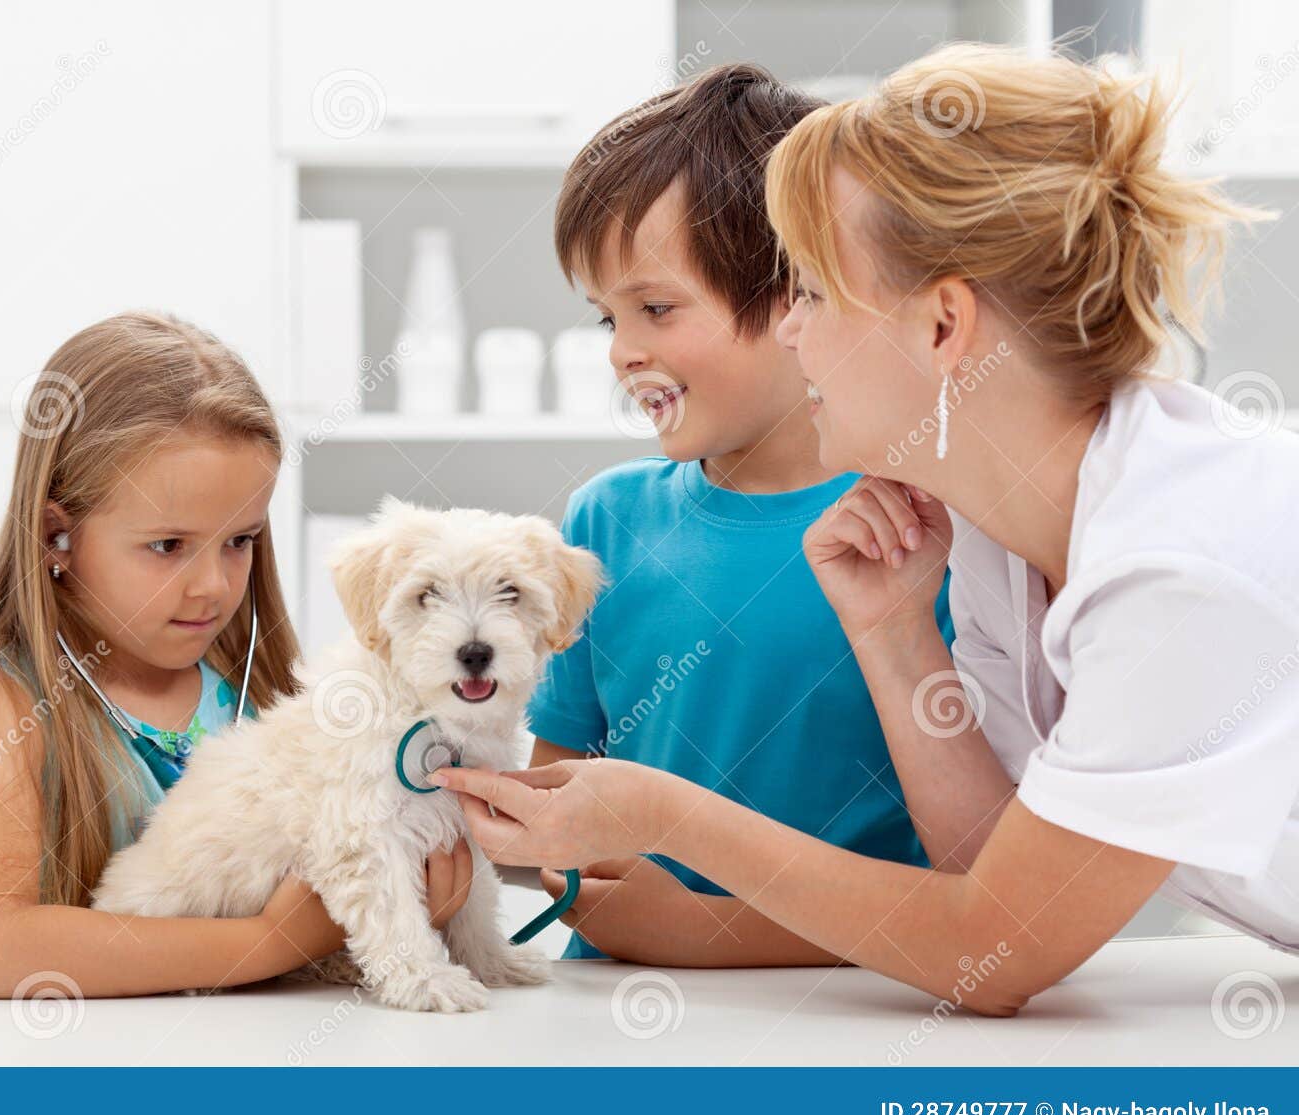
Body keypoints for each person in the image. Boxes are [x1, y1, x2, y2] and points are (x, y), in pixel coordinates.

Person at [437, 43, 1299, 1014]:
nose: (790, 328)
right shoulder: (990, 532)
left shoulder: (1181, 563)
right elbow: (989, 877)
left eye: (806, 289)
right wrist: (893, 627)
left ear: (940, 329)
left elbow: (998, 948)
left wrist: (665, 814)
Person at [527, 62, 953, 966]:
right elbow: (554, 812)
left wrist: (700, 932)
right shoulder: (605, 523)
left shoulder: (919, 536)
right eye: (607, 320)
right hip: (608, 1020)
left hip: (858, 1023)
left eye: (654, 308)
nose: (624, 353)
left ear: (798, 292)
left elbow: (967, 900)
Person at [0, 311, 470, 997]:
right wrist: (269, 941)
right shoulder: (2, 705)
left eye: (239, 541)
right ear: (58, 536)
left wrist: (411, 913)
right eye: (167, 546)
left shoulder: (264, 692)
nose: (212, 585)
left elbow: (339, 921)